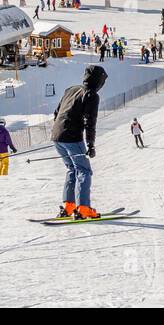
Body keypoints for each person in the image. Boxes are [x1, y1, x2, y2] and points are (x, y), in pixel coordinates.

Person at [50, 64, 108, 219]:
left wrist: (60, 130)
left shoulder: (71, 89)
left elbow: (56, 112)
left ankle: (69, 206)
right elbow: (90, 121)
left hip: (57, 135)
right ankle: (83, 208)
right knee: (84, 170)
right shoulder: (91, 95)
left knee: (72, 169)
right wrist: (90, 144)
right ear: (99, 81)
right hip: (71, 137)